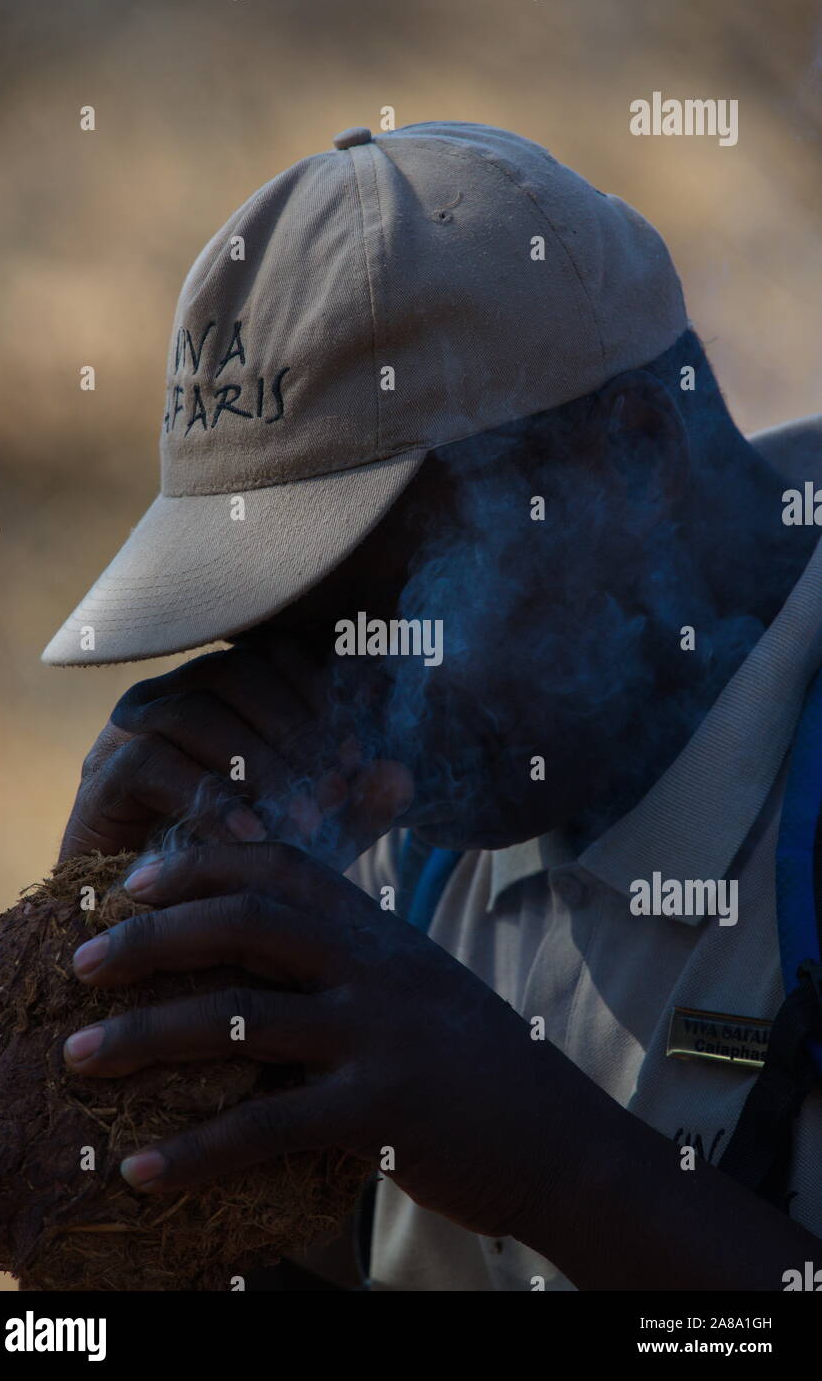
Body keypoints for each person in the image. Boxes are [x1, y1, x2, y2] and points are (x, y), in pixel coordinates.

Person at [43, 122, 822, 1290]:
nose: (331, 701)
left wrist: (556, 1169)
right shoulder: (402, 846)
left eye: (373, 607)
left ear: (629, 462)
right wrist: (84, 989)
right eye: (265, 634)